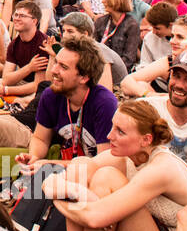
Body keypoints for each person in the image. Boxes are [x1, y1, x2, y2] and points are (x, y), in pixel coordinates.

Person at [42, 99, 187, 231]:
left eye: (120, 131)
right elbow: (57, 180)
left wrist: (68, 195)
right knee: (80, 167)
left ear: (146, 140)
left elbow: (96, 218)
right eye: (112, 127)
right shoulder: (128, 155)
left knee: (106, 177)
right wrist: (74, 190)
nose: (110, 136)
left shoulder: (162, 168)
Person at [15, 36, 118, 172]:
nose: (53, 70)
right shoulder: (50, 95)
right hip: (67, 167)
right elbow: (40, 138)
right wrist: (34, 156)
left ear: (84, 77)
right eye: (56, 62)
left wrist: (50, 164)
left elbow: (102, 164)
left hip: (95, 177)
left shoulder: (105, 104)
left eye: (63, 67)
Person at [94, 0, 141, 73]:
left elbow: (129, 58)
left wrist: (108, 70)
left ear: (117, 1)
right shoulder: (100, 21)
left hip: (119, 71)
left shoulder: (132, 25)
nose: (102, 1)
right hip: (98, 67)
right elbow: (93, 47)